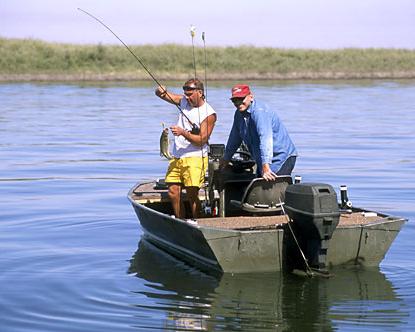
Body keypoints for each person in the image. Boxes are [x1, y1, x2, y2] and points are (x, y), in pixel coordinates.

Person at [155, 78, 217, 218]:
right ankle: (180, 220)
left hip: (195, 157)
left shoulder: (209, 113)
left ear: (200, 93)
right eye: (185, 94)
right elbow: (162, 94)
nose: (186, 98)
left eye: (190, 95)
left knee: (191, 194)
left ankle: (198, 220)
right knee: (173, 191)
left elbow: (201, 140)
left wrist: (183, 132)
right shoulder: (183, 101)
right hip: (178, 156)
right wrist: (160, 90)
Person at [221, 84, 297, 181]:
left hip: (281, 156)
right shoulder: (238, 114)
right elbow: (234, 138)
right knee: (258, 185)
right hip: (262, 159)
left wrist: (266, 166)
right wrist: (226, 158)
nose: (238, 102)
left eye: (241, 98)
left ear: (251, 97)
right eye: (234, 100)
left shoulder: (259, 112)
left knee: (269, 187)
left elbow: (265, 139)